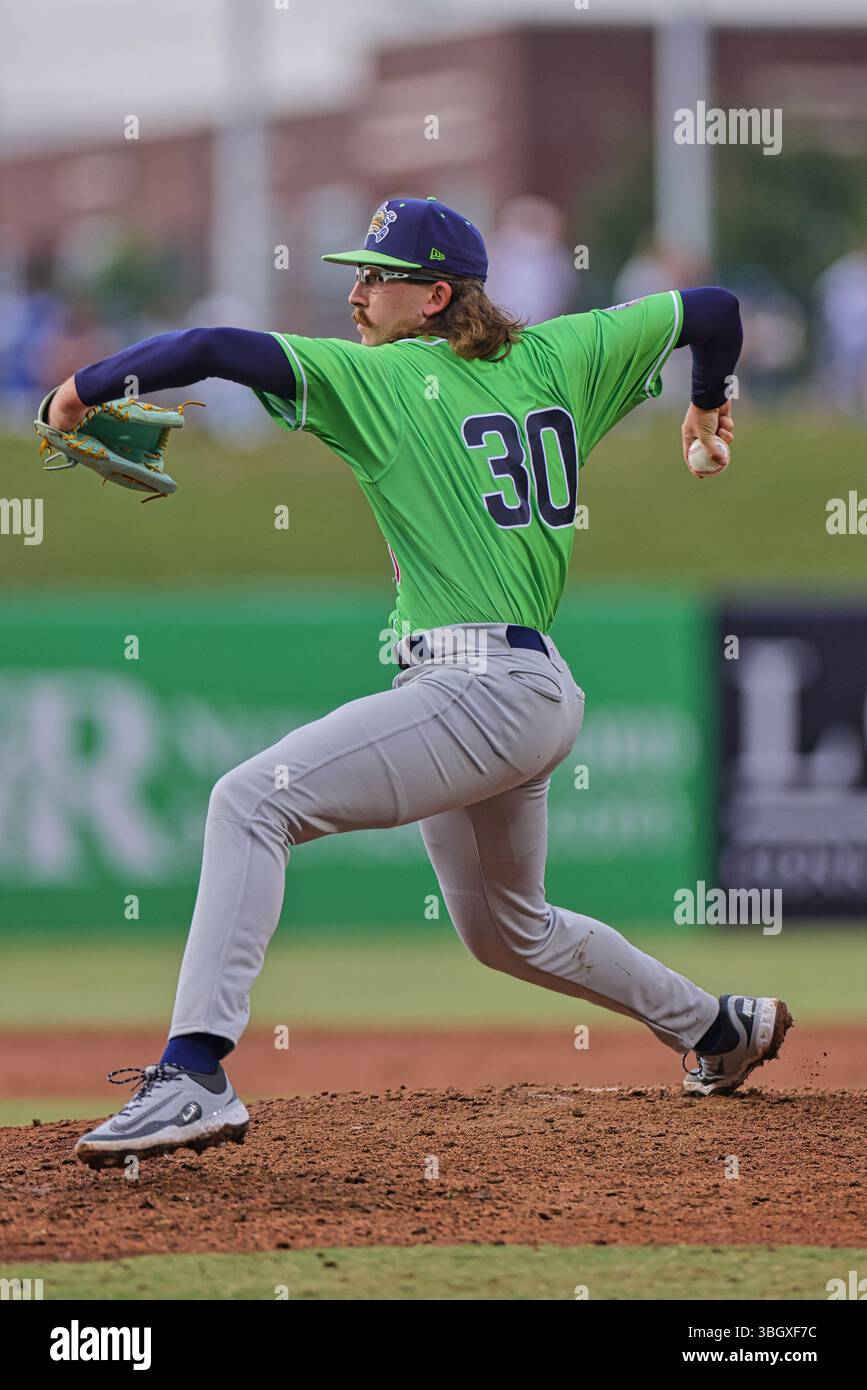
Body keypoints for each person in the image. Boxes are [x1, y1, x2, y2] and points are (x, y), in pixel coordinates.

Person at [45, 196, 790, 1168]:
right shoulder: (566, 353)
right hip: (528, 687)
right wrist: (710, 395)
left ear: (437, 295)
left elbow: (215, 343)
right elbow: (713, 306)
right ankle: (717, 1028)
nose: (356, 294)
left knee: (248, 802)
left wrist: (81, 390)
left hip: (474, 687)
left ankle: (194, 1073)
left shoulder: (385, 379)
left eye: (378, 277)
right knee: (507, 930)